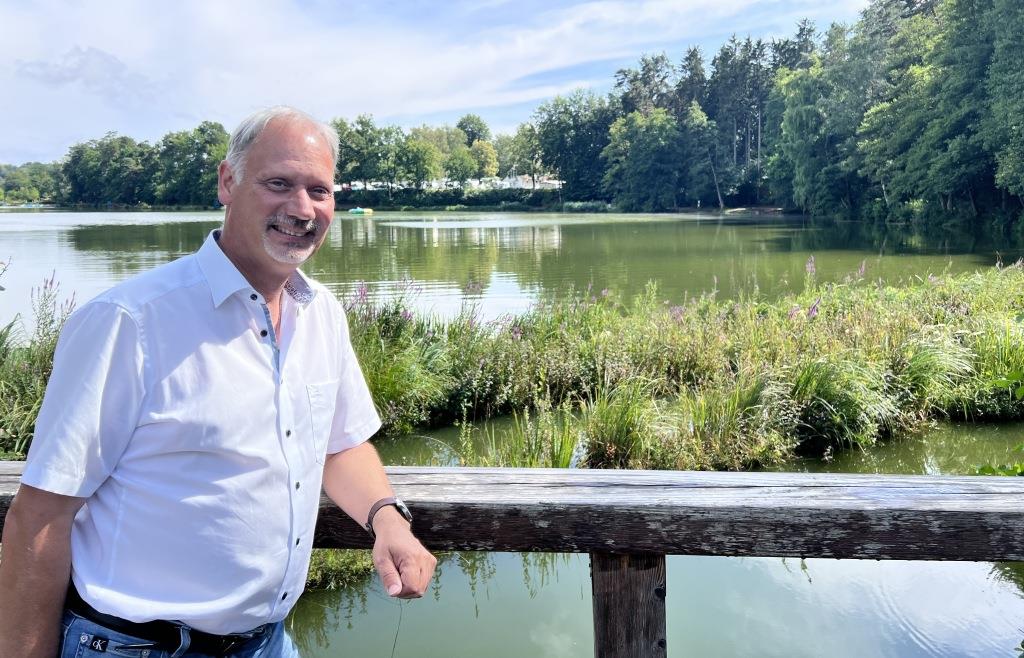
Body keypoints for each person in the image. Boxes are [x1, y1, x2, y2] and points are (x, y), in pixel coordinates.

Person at [0, 106, 436, 657]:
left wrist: (386, 519)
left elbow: (341, 443)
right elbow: (40, 516)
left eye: (319, 190)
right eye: (279, 183)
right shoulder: (129, 322)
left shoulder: (322, 311)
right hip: (137, 647)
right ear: (227, 182)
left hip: (268, 643)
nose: (301, 209)